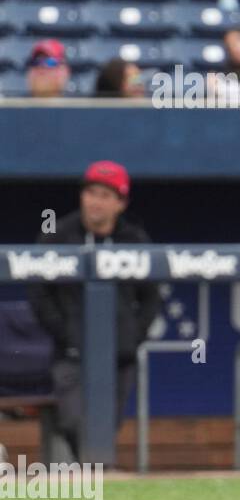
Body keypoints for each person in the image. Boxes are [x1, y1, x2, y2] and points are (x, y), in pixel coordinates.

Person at [27, 161, 160, 463]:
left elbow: (152, 297)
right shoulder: (58, 236)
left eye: (104, 195)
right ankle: (97, 482)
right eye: (90, 193)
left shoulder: (134, 240)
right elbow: (38, 292)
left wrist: (133, 336)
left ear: (120, 203)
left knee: (106, 426)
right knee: (77, 423)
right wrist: (65, 333)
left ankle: (95, 486)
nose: (95, 202)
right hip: (72, 354)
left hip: (119, 355)